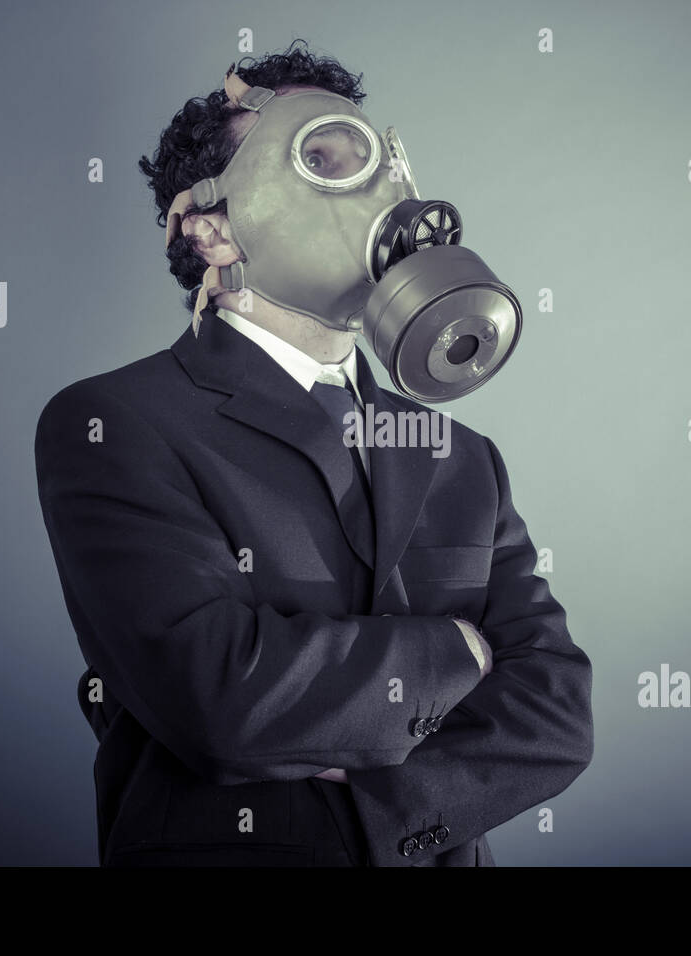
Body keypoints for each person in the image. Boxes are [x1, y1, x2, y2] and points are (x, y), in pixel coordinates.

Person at [34, 41, 593, 867]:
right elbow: (221, 701)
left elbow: (557, 717)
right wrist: (462, 653)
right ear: (212, 229)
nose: (387, 196)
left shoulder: (461, 456)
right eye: (326, 161)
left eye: (384, 165)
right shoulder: (113, 424)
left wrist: (375, 796)